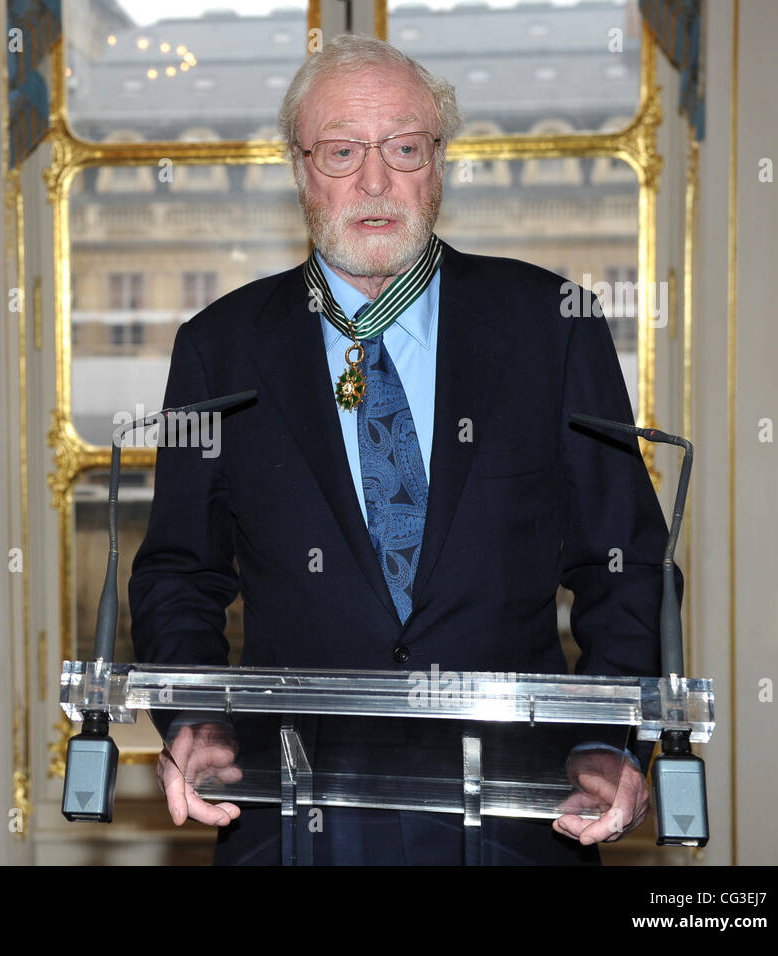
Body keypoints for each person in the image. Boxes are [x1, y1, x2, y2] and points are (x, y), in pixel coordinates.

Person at [127, 34, 672, 865]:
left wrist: (611, 742)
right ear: (300, 169)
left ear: (440, 163)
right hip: (290, 813)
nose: (375, 182)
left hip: (523, 814)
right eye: (342, 151)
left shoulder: (552, 324)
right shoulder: (220, 348)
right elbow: (178, 575)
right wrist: (197, 723)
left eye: (404, 148)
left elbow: (625, 561)